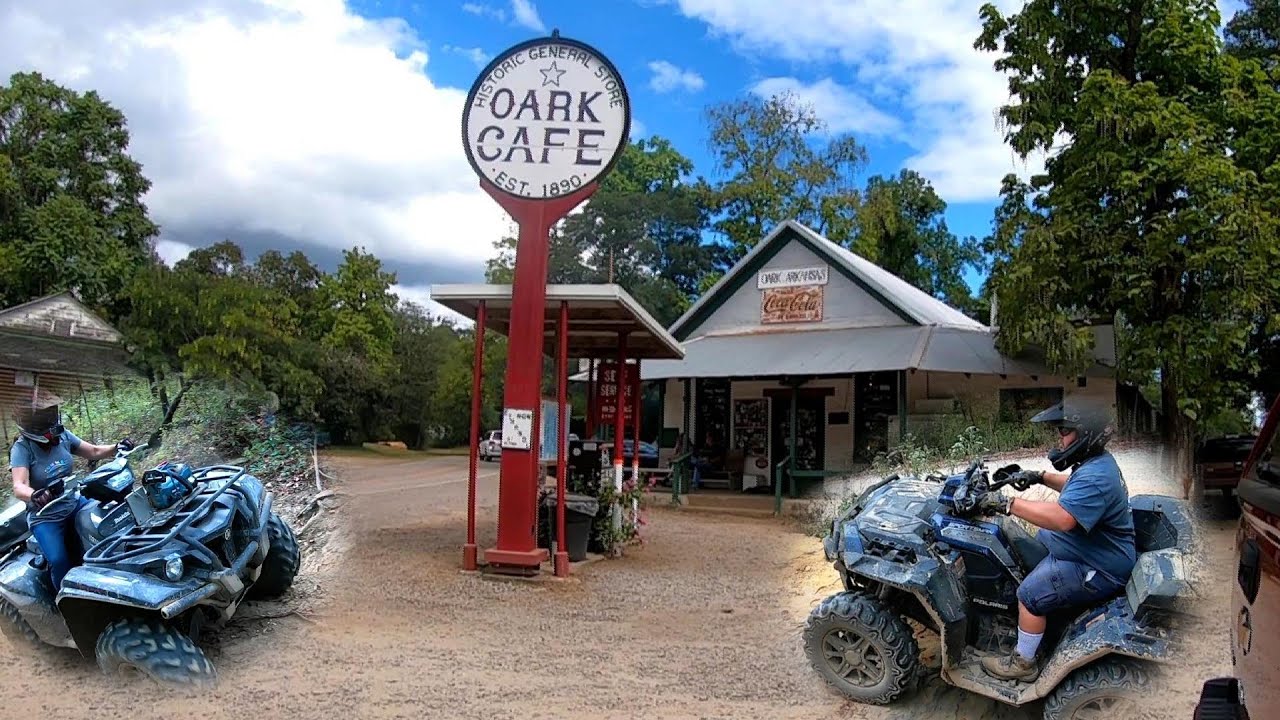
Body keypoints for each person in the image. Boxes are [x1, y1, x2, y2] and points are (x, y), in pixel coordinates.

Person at [977, 399, 1136, 683]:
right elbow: (1074, 487)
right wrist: (1038, 477)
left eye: (1064, 430)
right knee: (1028, 544)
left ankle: (1024, 661)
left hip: (1099, 567)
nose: (1059, 438)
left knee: (1028, 596)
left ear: (1086, 433)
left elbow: (1063, 518)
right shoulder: (1098, 463)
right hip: (1095, 550)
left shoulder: (1096, 475)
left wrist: (1007, 503)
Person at [8, 392, 131, 591]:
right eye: (43, 414)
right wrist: (35, 494)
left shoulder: (62, 435)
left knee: (110, 526)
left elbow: (92, 451)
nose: (50, 416)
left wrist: (117, 447)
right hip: (46, 515)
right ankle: (66, 601)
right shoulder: (22, 448)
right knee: (58, 559)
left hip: (75, 502)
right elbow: (19, 485)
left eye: (51, 411)